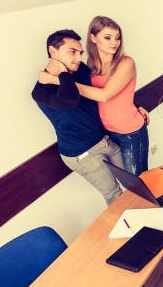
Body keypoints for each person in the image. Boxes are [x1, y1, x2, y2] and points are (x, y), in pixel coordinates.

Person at [39, 17, 150, 176]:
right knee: (128, 182)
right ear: (93, 38)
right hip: (106, 133)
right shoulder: (89, 66)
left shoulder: (126, 63)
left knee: (138, 179)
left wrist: (57, 80)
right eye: (107, 37)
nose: (114, 42)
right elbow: (100, 97)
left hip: (129, 132)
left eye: (117, 37)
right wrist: (137, 104)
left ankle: (153, 202)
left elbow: (104, 95)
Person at [32, 29, 123, 204]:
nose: (78, 58)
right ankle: (136, 231)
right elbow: (69, 100)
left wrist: (136, 107)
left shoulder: (79, 69)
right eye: (72, 52)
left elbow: (101, 92)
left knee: (137, 180)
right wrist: (63, 74)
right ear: (53, 51)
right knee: (114, 195)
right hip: (82, 154)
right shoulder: (41, 91)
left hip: (105, 139)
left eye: (80, 53)